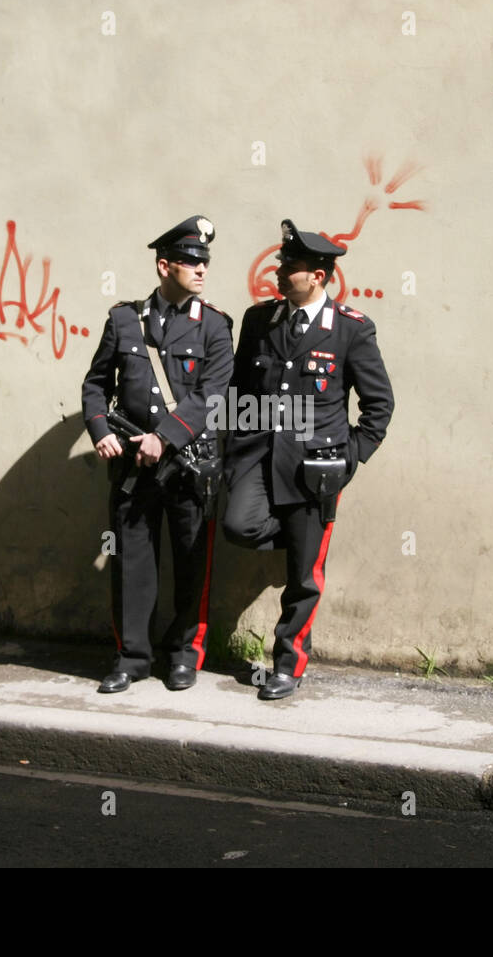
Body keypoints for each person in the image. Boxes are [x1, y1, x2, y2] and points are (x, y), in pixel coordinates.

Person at [223, 219, 394, 700]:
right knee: (238, 524)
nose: (280, 273)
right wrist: (235, 453)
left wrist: (349, 459)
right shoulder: (260, 321)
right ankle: (300, 541)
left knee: (303, 578)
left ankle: (288, 664)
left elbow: (379, 405)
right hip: (259, 460)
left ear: (317, 276)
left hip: (314, 470)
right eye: (281, 264)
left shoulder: (350, 329)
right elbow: (239, 391)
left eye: (290, 267)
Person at [81, 216, 234, 693]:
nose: (201, 269)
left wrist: (164, 436)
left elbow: (212, 394)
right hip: (132, 467)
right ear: (164, 265)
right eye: (191, 261)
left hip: (188, 467)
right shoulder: (124, 320)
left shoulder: (214, 326)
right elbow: (95, 384)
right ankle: (131, 656)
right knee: (131, 562)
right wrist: (99, 428)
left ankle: (185, 654)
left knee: (191, 564)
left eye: (205, 261)